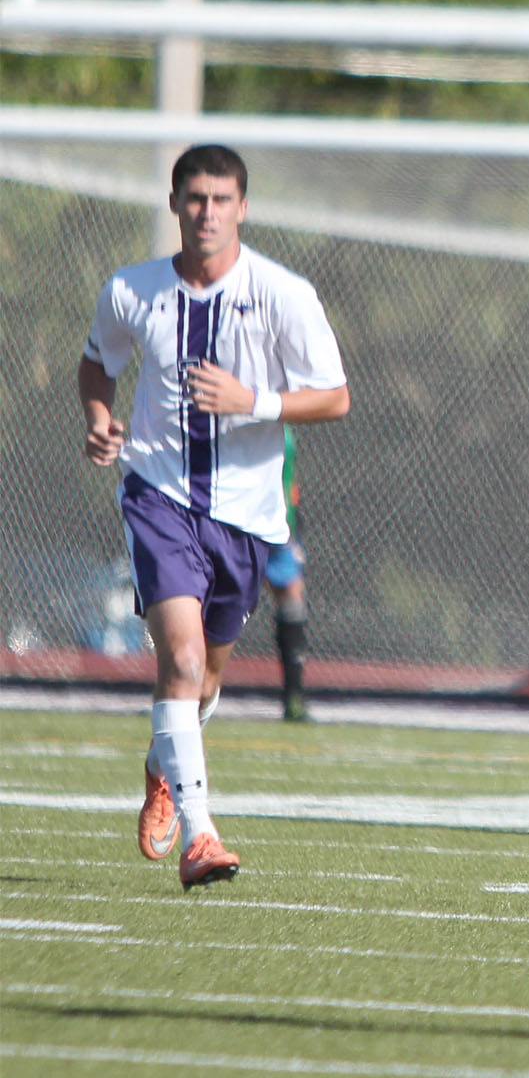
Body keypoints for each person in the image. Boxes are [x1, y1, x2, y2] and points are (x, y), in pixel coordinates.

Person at [79, 144, 350, 889]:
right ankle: (201, 836)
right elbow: (98, 360)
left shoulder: (282, 294)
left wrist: (251, 401)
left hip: (245, 517)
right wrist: (100, 415)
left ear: (243, 207)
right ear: (174, 204)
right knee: (183, 661)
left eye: (221, 199)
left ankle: (162, 764)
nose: (207, 213)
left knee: (205, 680)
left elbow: (334, 395)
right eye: (194, 198)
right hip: (157, 497)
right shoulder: (133, 291)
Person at [266, 426, 311, 724]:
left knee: (293, 598)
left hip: (278, 531)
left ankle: (293, 697)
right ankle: (177, 693)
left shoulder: (283, 427)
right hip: (236, 525)